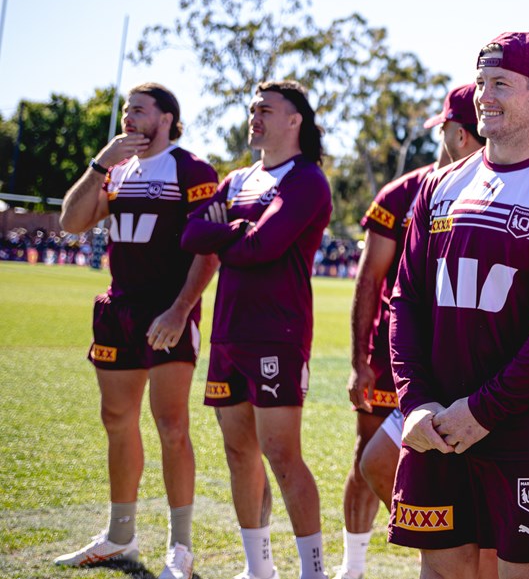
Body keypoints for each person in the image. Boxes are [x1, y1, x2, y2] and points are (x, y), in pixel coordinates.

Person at [388, 32, 529, 579]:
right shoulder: (439, 187)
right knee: (440, 572)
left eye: (500, 84)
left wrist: (484, 409)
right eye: (481, 82)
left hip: (527, 432)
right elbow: (407, 298)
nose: (484, 95)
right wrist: (415, 400)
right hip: (436, 423)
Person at [56, 84, 219, 579]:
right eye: (127, 109)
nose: (129, 117)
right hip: (118, 309)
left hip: (166, 311)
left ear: (166, 118)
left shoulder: (192, 169)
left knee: (172, 427)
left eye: (139, 110)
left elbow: (207, 250)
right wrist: (101, 163)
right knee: (116, 419)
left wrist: (179, 311)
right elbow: (71, 222)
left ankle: (181, 548)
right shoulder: (118, 169)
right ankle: (120, 534)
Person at [181, 80, 333, 579]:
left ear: (295, 121)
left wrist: (229, 234)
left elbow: (262, 247)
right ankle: (258, 568)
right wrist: (237, 232)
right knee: (237, 451)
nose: (255, 116)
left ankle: (312, 571)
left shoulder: (308, 181)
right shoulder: (238, 179)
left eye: (265, 109)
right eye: (252, 108)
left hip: (278, 334)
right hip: (228, 334)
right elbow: (191, 233)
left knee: (282, 455)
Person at [335, 83, 485, 579]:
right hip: (393, 355)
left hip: (471, 365)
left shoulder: (511, 189)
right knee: (370, 456)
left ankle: (453, 549)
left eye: (442, 128)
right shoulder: (402, 194)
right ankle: (355, 565)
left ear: (458, 133)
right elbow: (369, 278)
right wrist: (360, 359)